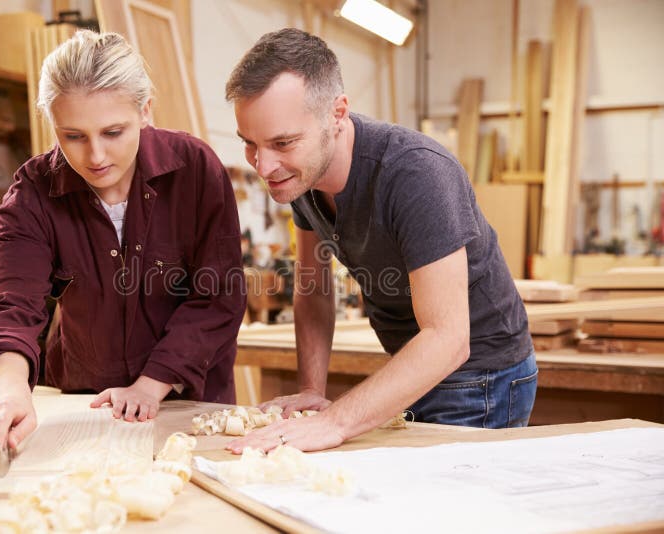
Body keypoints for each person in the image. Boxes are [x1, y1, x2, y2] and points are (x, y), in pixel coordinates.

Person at [224, 28, 536, 453]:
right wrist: (312, 391)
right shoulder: (303, 176)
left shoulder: (417, 174)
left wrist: (335, 421)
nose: (264, 166)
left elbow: (448, 338)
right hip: (413, 362)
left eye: (282, 143)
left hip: (478, 375)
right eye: (250, 145)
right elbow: (313, 291)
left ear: (337, 114)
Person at [0, 30, 245, 450]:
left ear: (145, 110)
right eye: (73, 136)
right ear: (51, 123)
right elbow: (12, 306)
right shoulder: (33, 191)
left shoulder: (195, 169)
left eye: (113, 132)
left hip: (190, 405)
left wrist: (149, 388)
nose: (95, 157)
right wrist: (10, 391)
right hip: (87, 404)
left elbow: (219, 296)